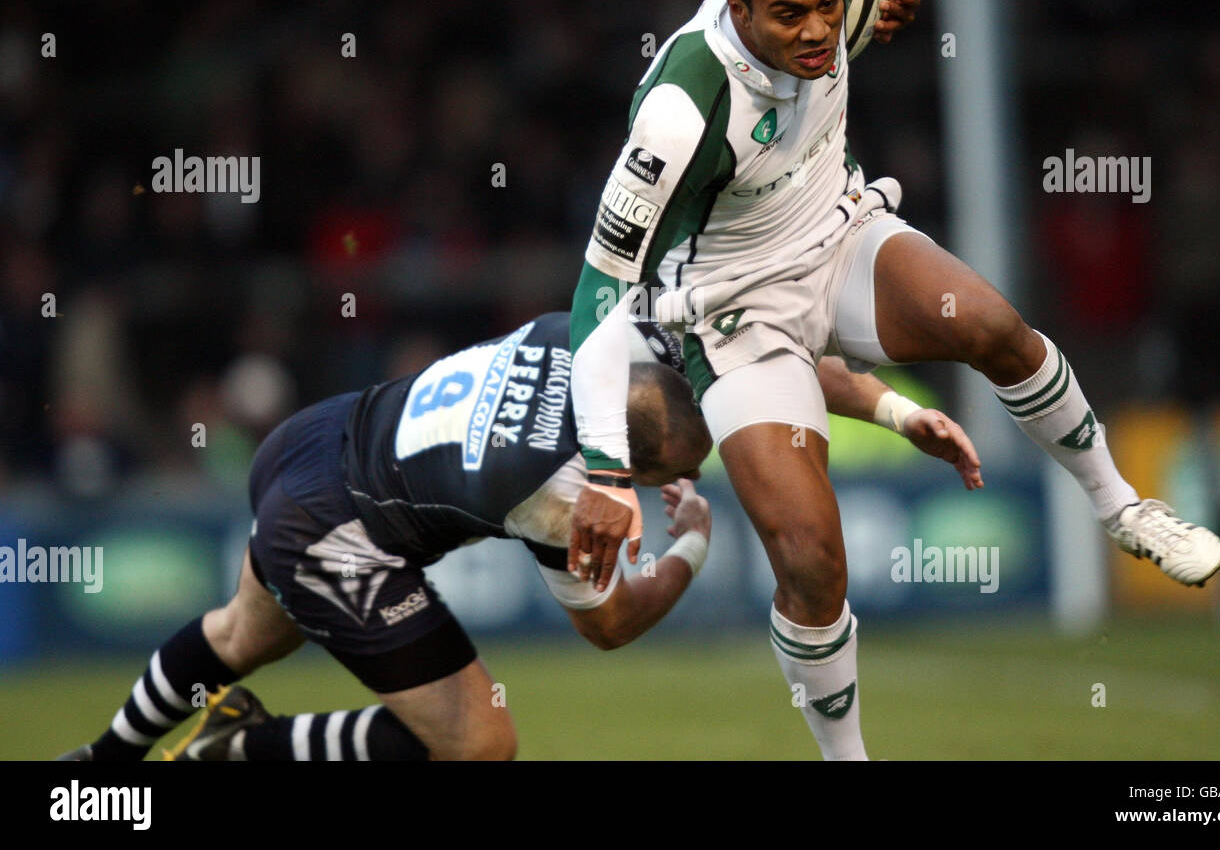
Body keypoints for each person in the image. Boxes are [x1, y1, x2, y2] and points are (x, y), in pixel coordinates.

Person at [566, 0, 1220, 761]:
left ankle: (1123, 505)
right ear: (736, 12)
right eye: (787, 16)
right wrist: (609, 471)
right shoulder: (677, 115)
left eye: (826, 7)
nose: (816, 32)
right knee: (810, 558)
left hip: (839, 236)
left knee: (992, 325)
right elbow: (597, 290)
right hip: (734, 308)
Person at [58, 312, 978, 761]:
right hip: (338, 530)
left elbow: (772, 362)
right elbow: (608, 625)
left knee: (236, 635)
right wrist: (691, 544)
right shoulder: (561, 491)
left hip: (315, 438)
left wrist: (895, 410)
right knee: (481, 742)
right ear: (647, 475)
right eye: (674, 477)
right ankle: (235, 754)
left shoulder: (599, 332)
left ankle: (97, 772)